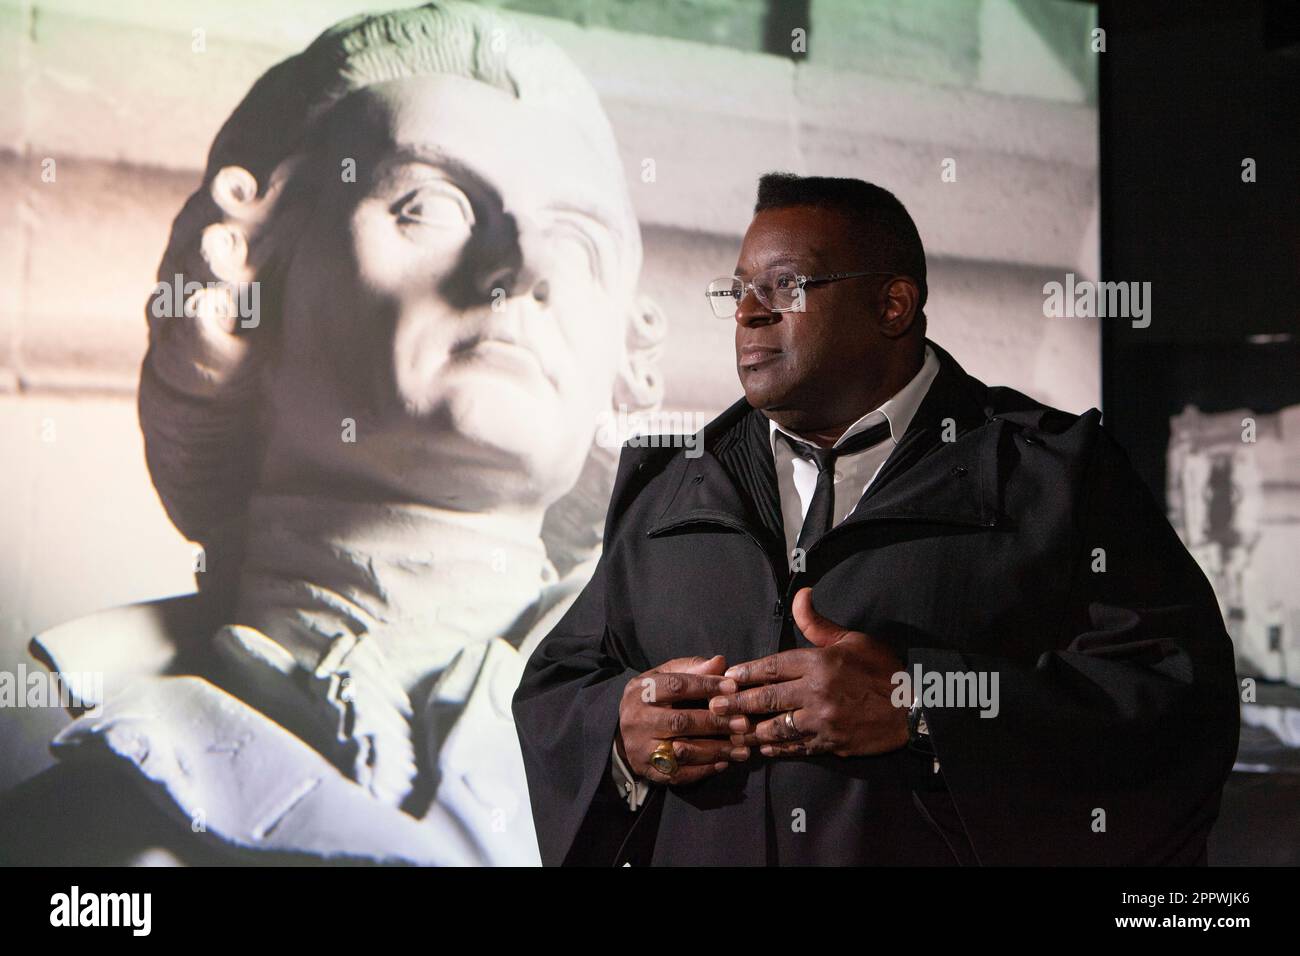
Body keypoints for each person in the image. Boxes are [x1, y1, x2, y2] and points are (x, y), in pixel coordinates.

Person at [0, 1, 664, 866]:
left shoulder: (746, 805)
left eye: (578, 245)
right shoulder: (63, 847)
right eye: (429, 206)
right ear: (247, 286)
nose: (526, 264)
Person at [512, 172, 1242, 866]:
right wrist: (623, 731)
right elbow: (561, 686)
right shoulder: (670, 483)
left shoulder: (1053, 473)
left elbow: (1173, 703)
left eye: (785, 286)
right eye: (736, 291)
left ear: (893, 305)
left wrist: (925, 708)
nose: (748, 312)